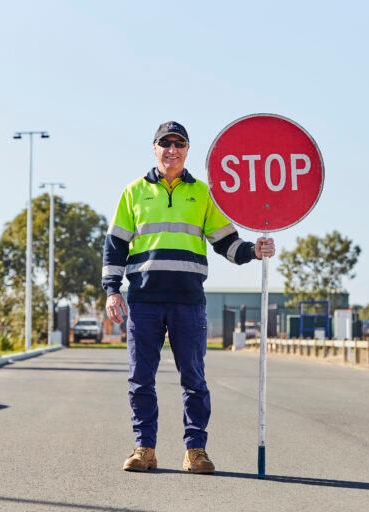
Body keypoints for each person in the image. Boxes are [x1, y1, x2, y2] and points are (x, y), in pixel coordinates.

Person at [102, 121, 275, 474]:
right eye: (165, 143)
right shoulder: (133, 192)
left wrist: (254, 251)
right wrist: (111, 291)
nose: (172, 150)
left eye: (179, 144)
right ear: (154, 148)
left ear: (187, 150)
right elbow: (115, 245)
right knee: (140, 379)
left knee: (193, 379)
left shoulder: (204, 193)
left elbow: (227, 243)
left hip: (188, 301)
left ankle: (195, 451)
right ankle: (144, 449)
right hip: (145, 301)